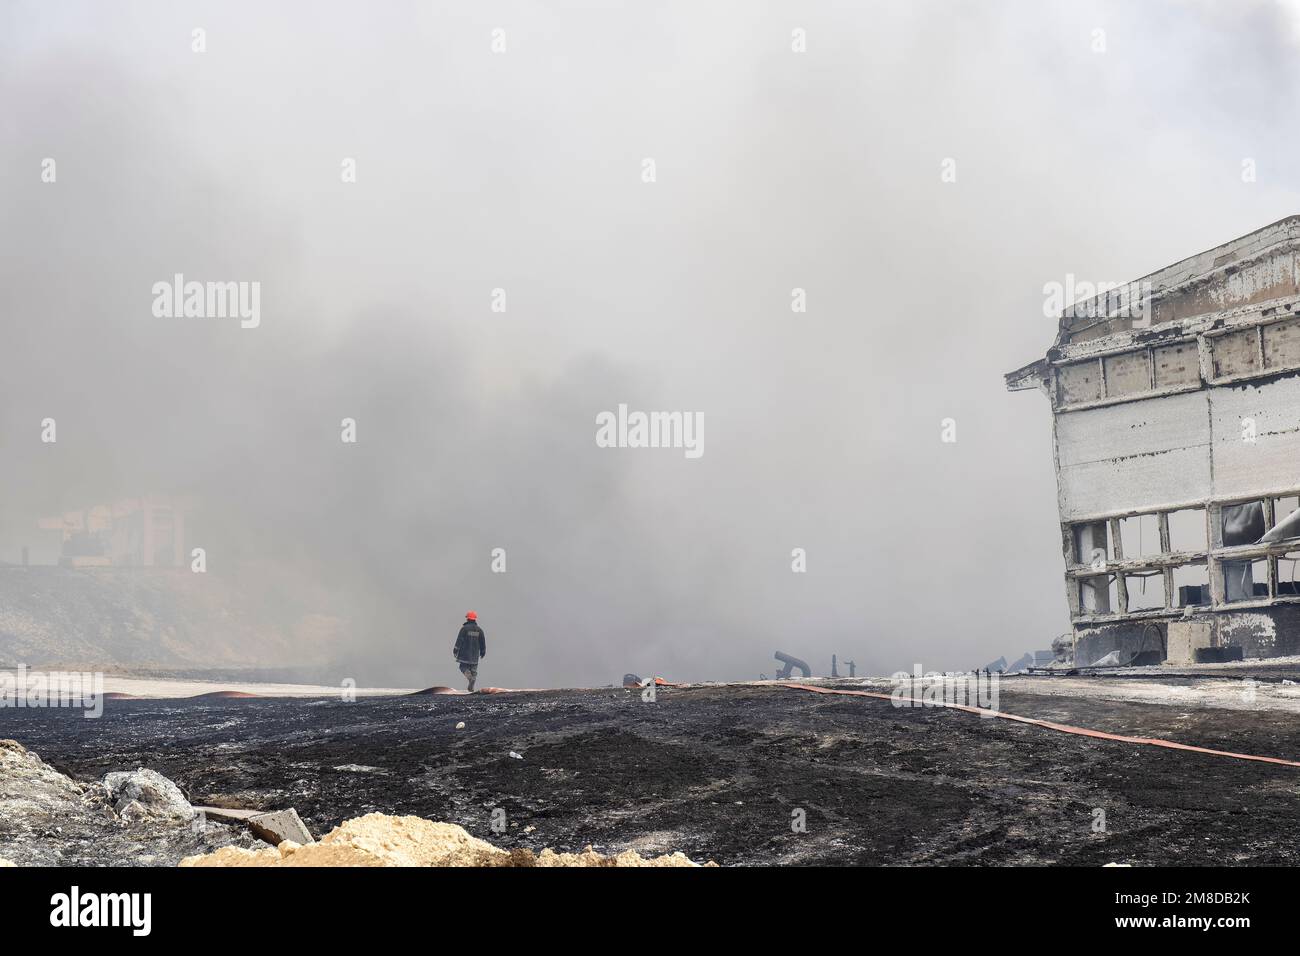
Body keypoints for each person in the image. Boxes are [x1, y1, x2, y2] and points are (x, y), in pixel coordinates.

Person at [453, 611, 486, 692]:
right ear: (475, 619)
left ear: (467, 618)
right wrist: (483, 651)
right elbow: (482, 642)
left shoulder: (464, 629)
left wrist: (455, 650)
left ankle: (470, 678)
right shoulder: (479, 630)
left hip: (465, 654)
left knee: (463, 667)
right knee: (473, 670)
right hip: (475, 655)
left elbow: (459, 640)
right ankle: (472, 681)